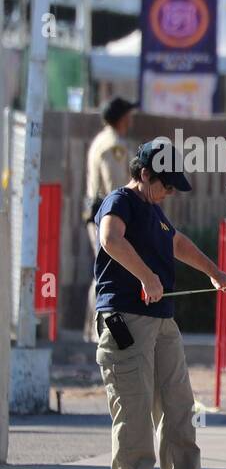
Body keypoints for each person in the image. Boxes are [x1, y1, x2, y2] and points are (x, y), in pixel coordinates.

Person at [95, 141, 226, 469]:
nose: (170, 192)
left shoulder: (155, 211)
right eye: (166, 184)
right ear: (144, 175)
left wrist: (215, 272)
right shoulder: (120, 201)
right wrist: (146, 276)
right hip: (126, 317)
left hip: (162, 320)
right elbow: (110, 239)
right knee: (134, 405)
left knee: (179, 406)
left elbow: (179, 243)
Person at [83, 97, 137, 341]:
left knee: (101, 269)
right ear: (122, 118)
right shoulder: (114, 145)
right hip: (108, 215)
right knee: (107, 270)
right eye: (128, 114)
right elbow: (115, 186)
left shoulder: (100, 140)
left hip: (98, 212)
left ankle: (91, 330)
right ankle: (99, 330)